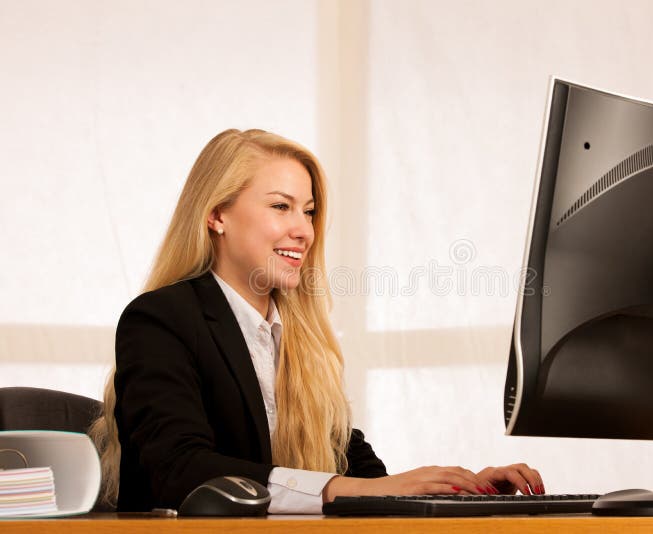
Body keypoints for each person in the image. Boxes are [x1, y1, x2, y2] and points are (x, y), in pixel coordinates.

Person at [89, 129, 544, 513]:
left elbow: (365, 477)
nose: (304, 229)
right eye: (281, 207)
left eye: (308, 211)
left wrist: (461, 491)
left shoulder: (298, 338)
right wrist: (337, 488)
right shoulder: (161, 319)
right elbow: (180, 471)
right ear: (217, 215)